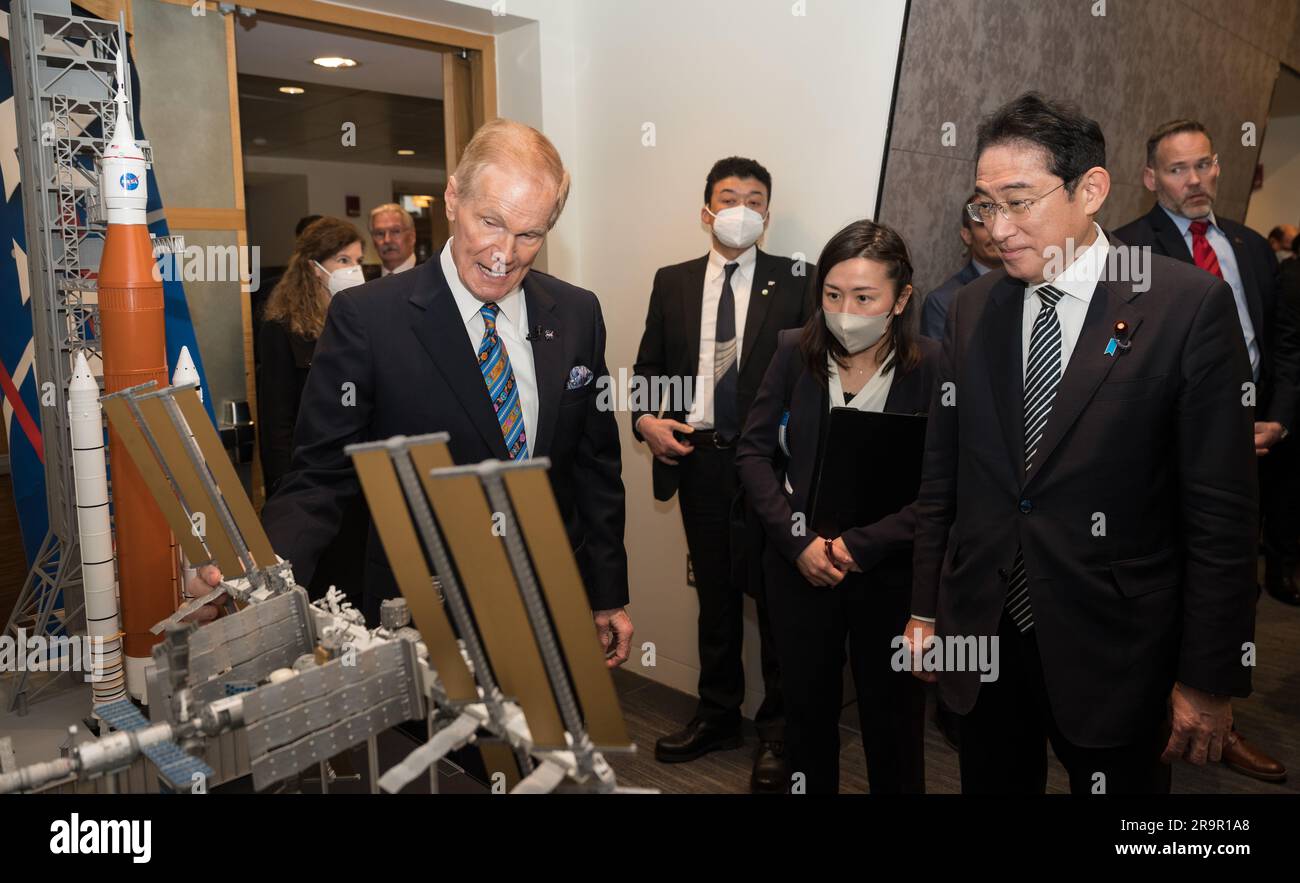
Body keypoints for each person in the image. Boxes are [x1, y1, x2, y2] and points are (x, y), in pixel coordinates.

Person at [906, 93, 1258, 795]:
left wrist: (1208, 675)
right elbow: (946, 475)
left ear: (1091, 189)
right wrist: (925, 609)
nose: (996, 228)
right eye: (984, 205)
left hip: (1117, 644)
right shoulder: (975, 308)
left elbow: (1220, 514)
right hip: (987, 628)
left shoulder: (1184, 307)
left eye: (1018, 201)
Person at [196, 119, 634, 667]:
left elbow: (595, 465)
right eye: (490, 223)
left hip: (552, 599)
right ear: (453, 198)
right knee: (450, 754)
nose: (504, 254)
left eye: (529, 235)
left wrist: (607, 589)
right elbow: (321, 475)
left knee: (552, 749)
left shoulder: (576, 313)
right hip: (424, 615)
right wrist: (261, 578)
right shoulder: (369, 318)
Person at [1116, 119, 1297, 782]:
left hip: (1252, 443)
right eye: (1176, 169)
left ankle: (1222, 717)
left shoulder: (1249, 246)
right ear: (1149, 178)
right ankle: (1161, 715)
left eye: (1203, 165)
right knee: (1170, 581)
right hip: (1169, 450)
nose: (1193, 181)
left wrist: (1278, 418)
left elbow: (1282, 346)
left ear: (1220, 167)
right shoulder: (1128, 248)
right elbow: (1114, 352)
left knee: (1234, 584)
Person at [736, 219, 937, 794]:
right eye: (832, 294)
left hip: (890, 575)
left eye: (864, 296)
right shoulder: (792, 352)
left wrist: (860, 544)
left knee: (893, 725)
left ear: (900, 299)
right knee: (806, 720)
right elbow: (752, 456)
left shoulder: (935, 368)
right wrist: (798, 543)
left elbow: (944, 489)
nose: (845, 309)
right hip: (801, 568)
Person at [631, 157, 813, 790]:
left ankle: (779, 731)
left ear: (767, 212)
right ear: (705, 209)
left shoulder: (799, 279)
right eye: (729, 196)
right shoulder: (673, 280)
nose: (741, 208)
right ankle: (717, 715)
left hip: (770, 467)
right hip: (700, 459)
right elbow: (650, 368)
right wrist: (647, 421)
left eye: (755, 198)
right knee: (714, 594)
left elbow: (815, 375)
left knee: (776, 598)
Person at [255, 216, 369, 604]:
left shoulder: (359, 320)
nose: (353, 270)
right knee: (320, 584)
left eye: (357, 260)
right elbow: (277, 418)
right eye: (342, 260)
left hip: (358, 480)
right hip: (311, 477)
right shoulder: (283, 327)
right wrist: (284, 487)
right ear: (313, 267)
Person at [920, 194, 1003, 339]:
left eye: (999, 222)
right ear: (967, 236)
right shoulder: (944, 301)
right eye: (983, 224)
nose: (995, 233)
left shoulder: (1031, 288)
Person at [369, 203, 418, 276]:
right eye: (380, 233)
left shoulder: (432, 275)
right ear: (373, 241)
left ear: (412, 237)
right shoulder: (365, 282)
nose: (387, 240)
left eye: (395, 231)